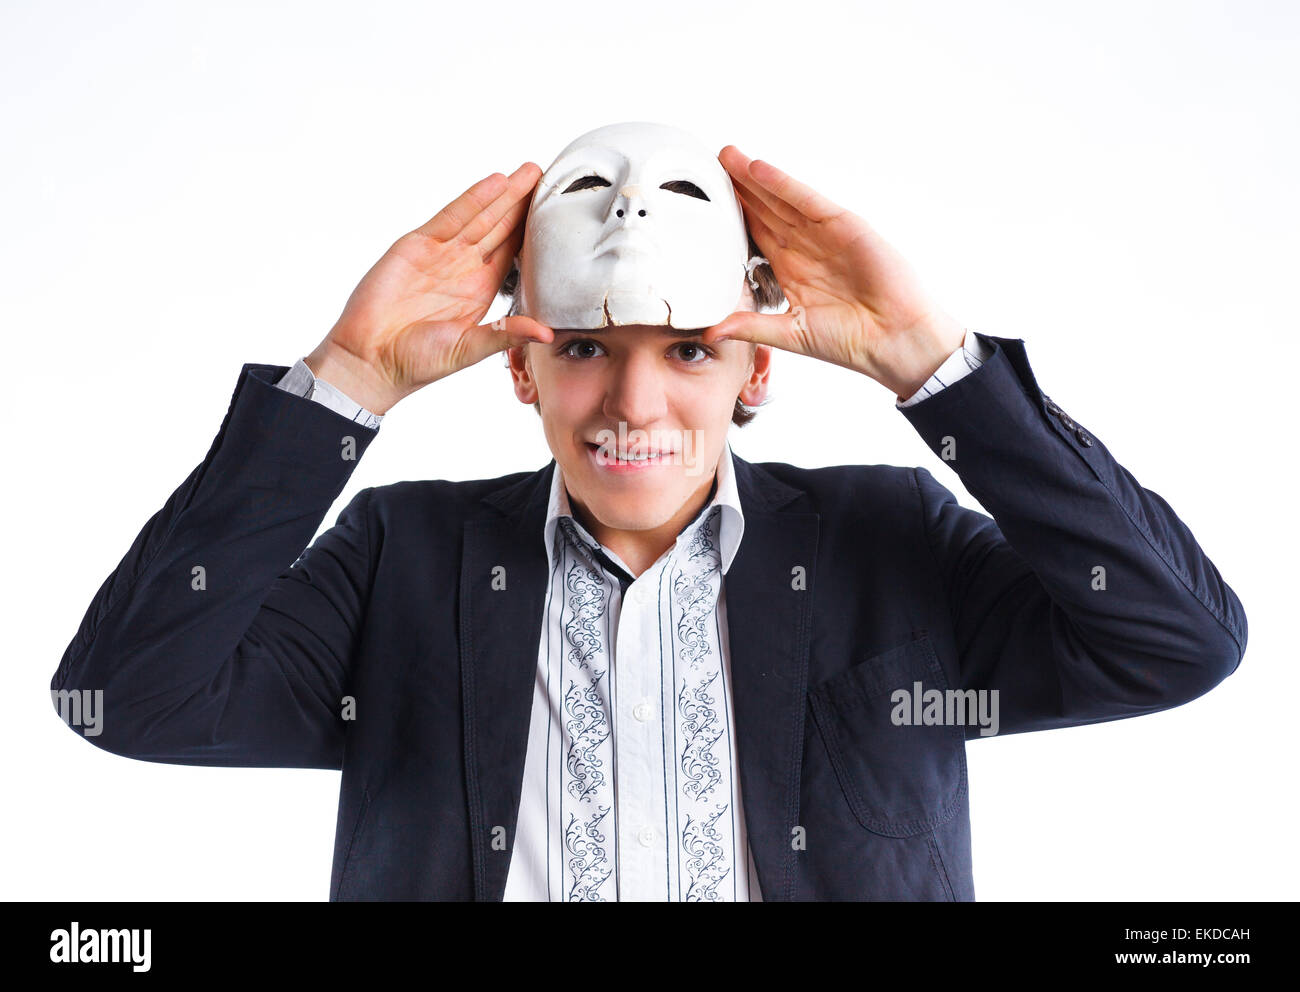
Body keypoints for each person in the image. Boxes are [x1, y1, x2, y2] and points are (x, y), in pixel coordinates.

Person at [51, 121, 1247, 901]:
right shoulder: (402, 559)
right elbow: (124, 696)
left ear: (756, 367)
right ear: (521, 367)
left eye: (687, 347)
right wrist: (345, 384)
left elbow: (1175, 638)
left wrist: (936, 365)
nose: (634, 399)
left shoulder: (890, 541)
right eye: (582, 347)